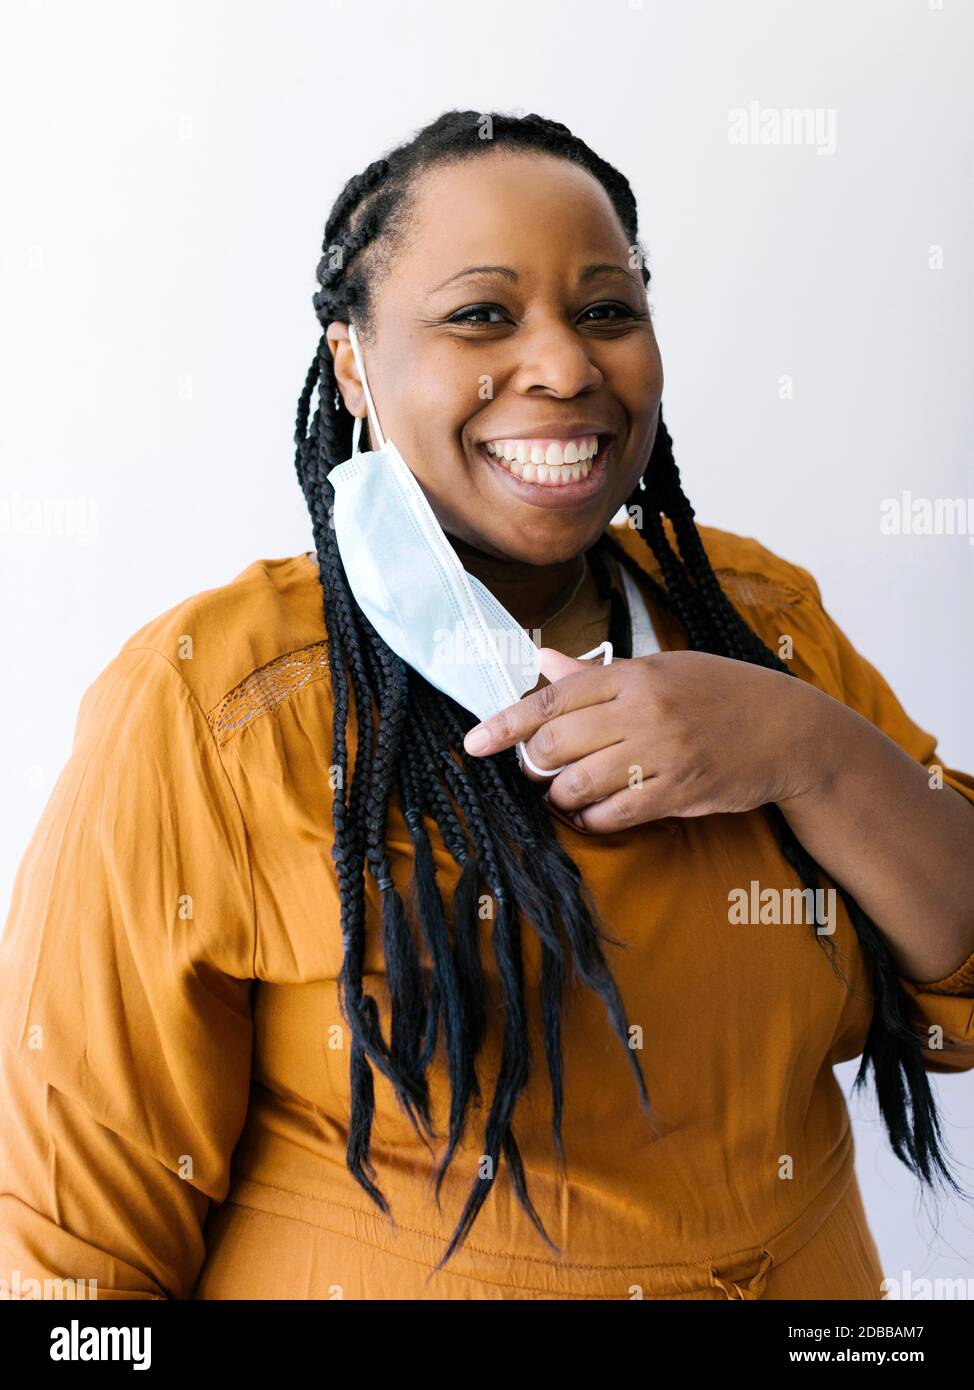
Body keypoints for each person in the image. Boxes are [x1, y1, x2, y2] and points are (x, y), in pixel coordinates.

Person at [2, 109, 973, 1302]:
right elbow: (72, 1247)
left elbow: (957, 1000)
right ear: (353, 363)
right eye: (481, 315)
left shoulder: (755, 626)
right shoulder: (216, 701)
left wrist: (809, 753)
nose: (566, 366)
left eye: (606, 309)